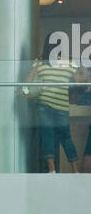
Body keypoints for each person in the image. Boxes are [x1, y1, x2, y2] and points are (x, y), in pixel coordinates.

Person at [27, 32, 83, 173]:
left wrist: (35, 65)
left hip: (44, 104)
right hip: (62, 105)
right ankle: (75, 170)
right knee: (66, 137)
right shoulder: (68, 63)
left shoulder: (41, 62)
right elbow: (78, 81)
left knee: (48, 137)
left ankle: (52, 170)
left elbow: (27, 81)